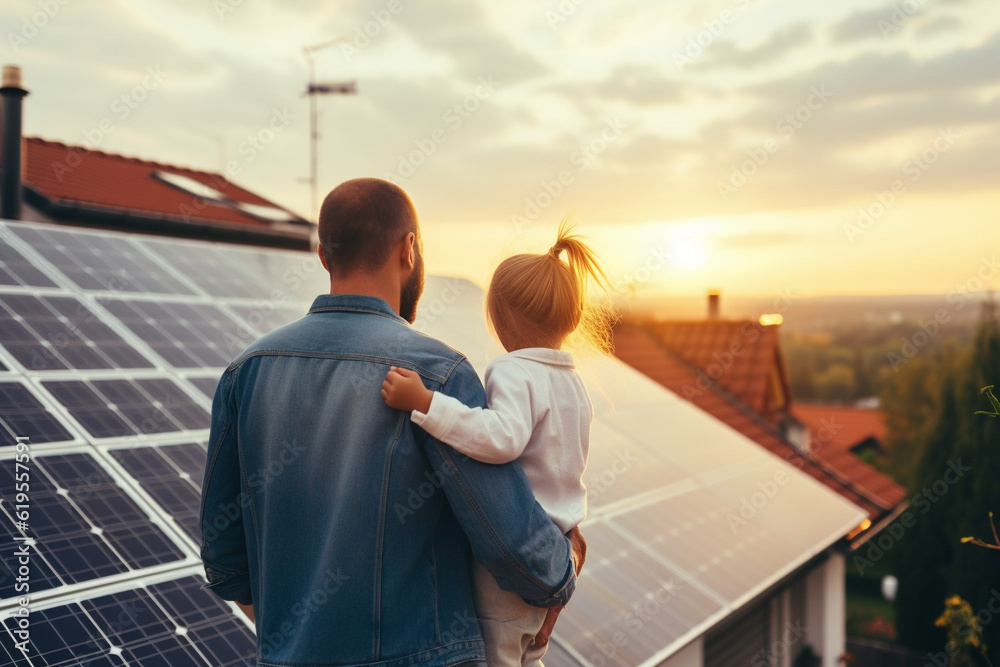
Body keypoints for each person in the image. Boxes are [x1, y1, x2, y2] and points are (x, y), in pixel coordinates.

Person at [199, 178, 581, 667]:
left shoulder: (245, 373)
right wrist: (562, 566)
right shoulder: (436, 374)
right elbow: (514, 546)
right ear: (410, 249)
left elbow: (225, 560)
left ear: (323, 255)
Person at [381, 223, 610, 666]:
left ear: (500, 320)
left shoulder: (513, 370)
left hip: (514, 552)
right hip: (556, 550)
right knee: (532, 654)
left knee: (497, 655)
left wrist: (426, 403)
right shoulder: (573, 383)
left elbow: (500, 439)